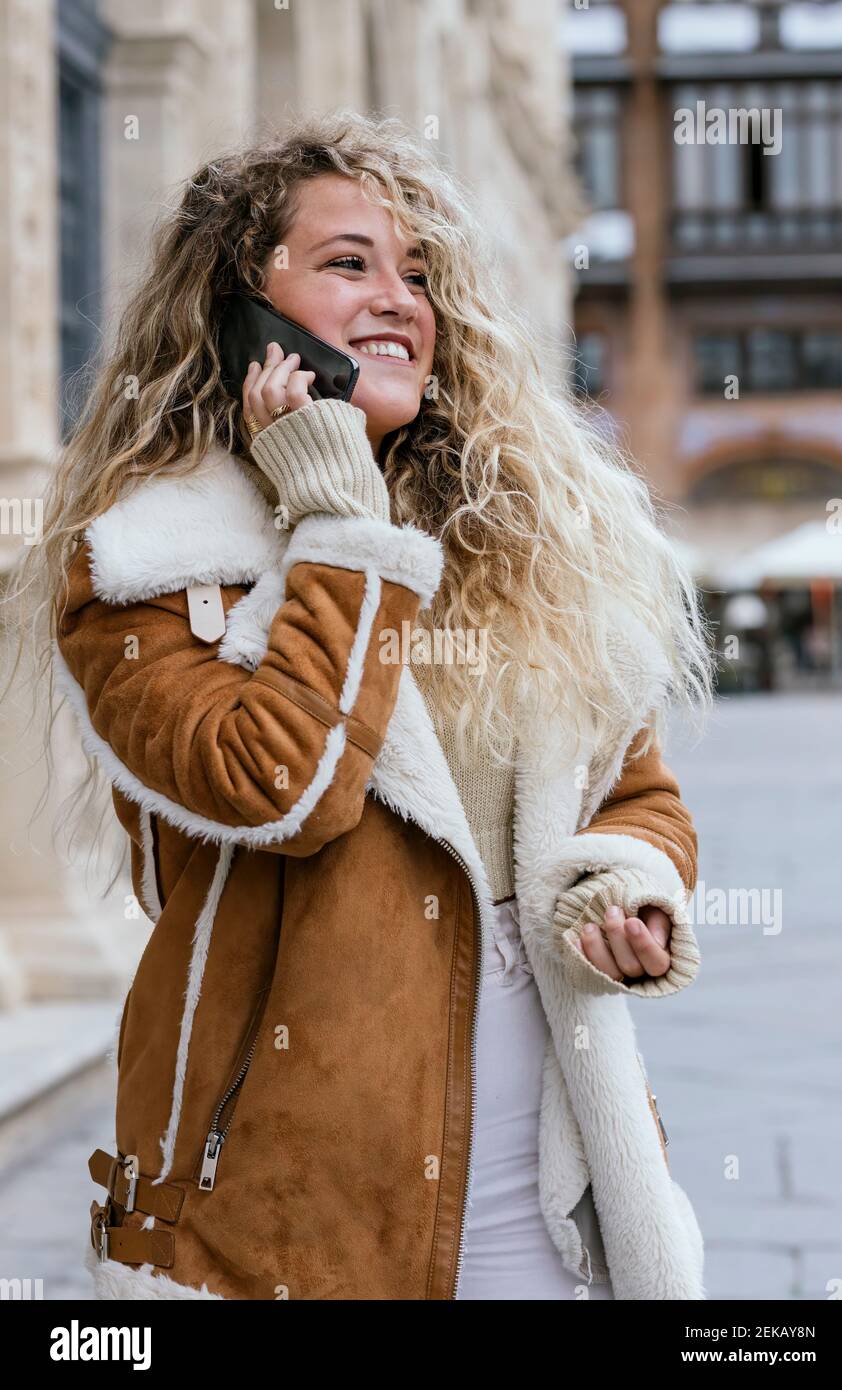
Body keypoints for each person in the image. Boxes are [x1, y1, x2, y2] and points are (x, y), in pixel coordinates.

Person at [4, 111, 713, 1300]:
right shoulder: (143, 564)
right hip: (291, 1213)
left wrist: (620, 887)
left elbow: (633, 793)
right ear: (241, 307)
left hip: (551, 1180)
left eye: (418, 275)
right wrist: (338, 525)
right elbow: (280, 786)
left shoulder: (527, 550)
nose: (399, 300)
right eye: (348, 265)